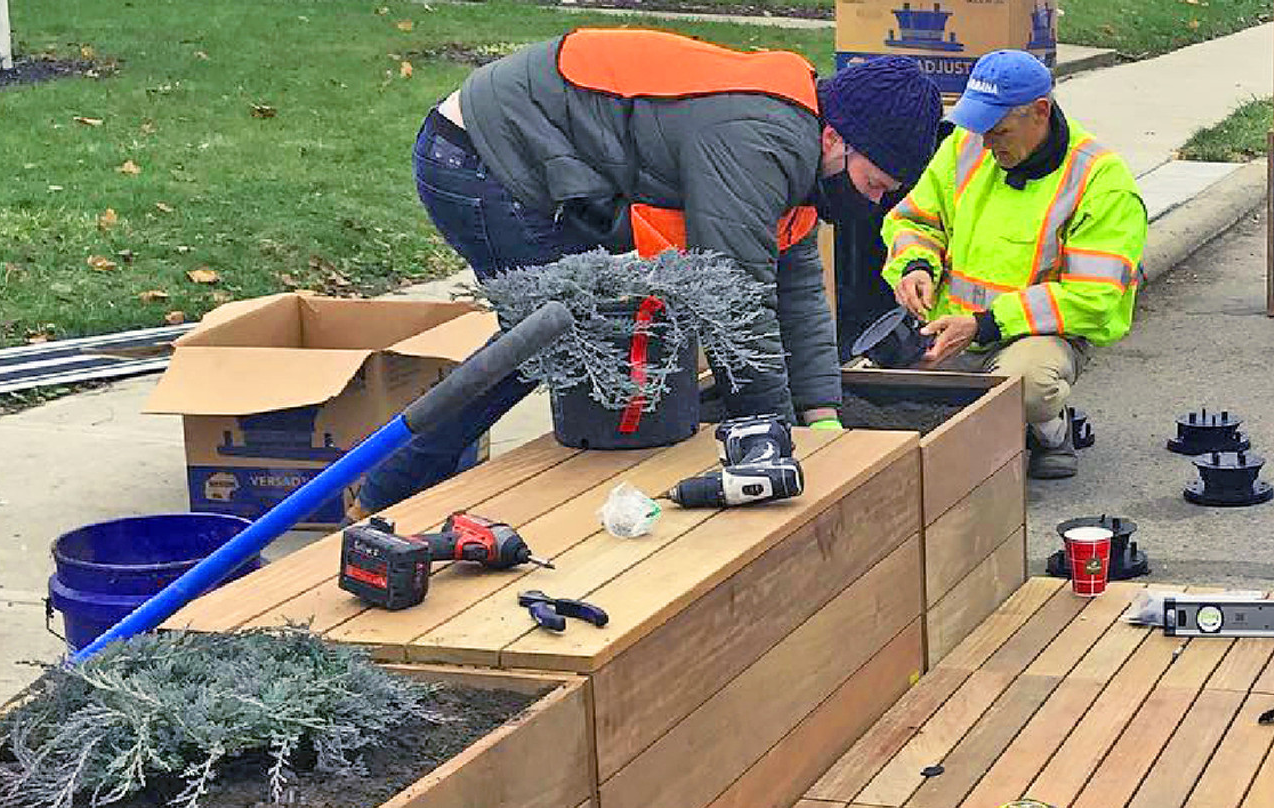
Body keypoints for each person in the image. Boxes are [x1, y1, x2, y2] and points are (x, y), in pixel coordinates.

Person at [353, 30, 943, 516]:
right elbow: (734, 296)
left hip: (529, 152)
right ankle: (388, 491)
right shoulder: (763, 141)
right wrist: (767, 435)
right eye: (873, 184)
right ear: (836, 139)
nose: (872, 202)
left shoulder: (804, 155)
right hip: (482, 153)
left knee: (565, 336)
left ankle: (413, 483)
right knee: (549, 337)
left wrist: (822, 418)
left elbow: (798, 290)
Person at [880, 49, 1148, 479]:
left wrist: (986, 324)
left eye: (999, 130)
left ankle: (1051, 432)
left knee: (1023, 388)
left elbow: (1092, 297)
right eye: (981, 128)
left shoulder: (1102, 182)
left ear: (1040, 112)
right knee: (881, 383)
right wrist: (916, 266)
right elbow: (915, 221)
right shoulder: (966, 146)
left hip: (1040, 337)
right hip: (954, 328)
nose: (988, 143)